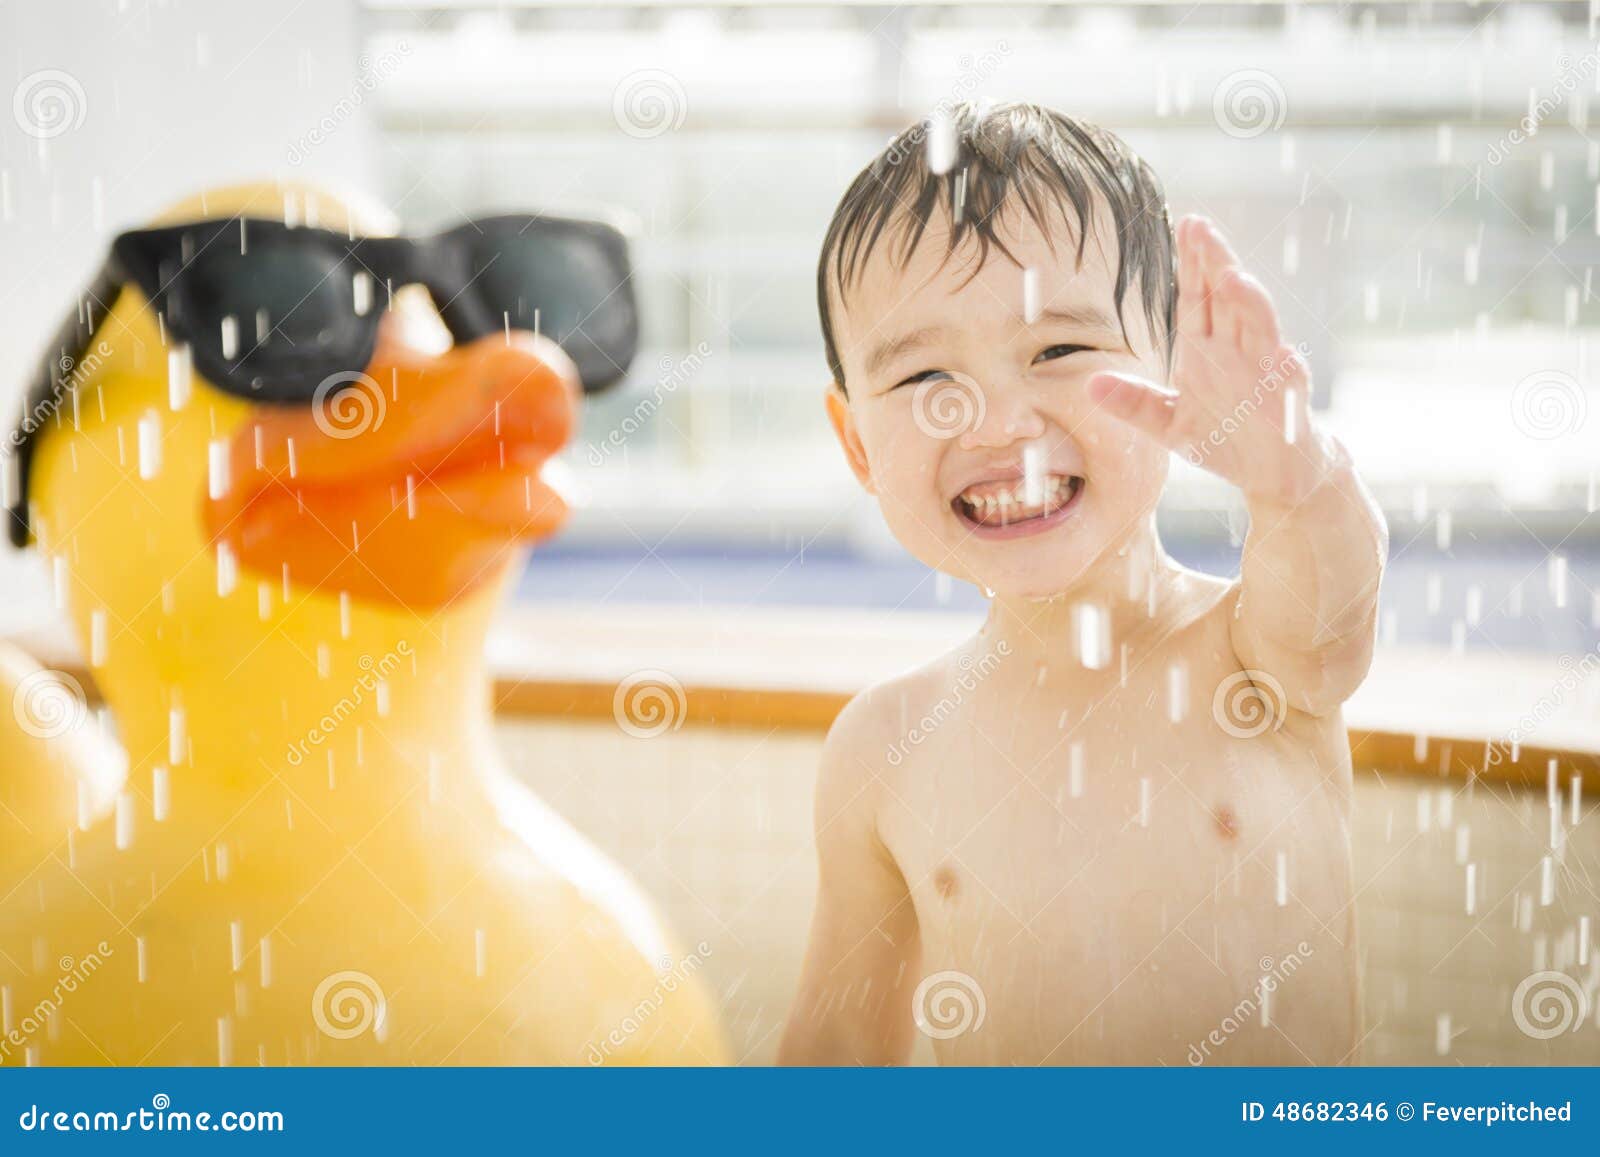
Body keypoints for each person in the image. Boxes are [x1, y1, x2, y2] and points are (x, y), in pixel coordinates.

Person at [778, 102, 1384, 1065]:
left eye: (1059, 351)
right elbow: (837, 1049)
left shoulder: (1254, 655)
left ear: (1176, 373)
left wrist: (1297, 476)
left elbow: (1337, 603)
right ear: (856, 442)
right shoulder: (885, 749)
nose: (999, 424)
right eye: (924, 374)